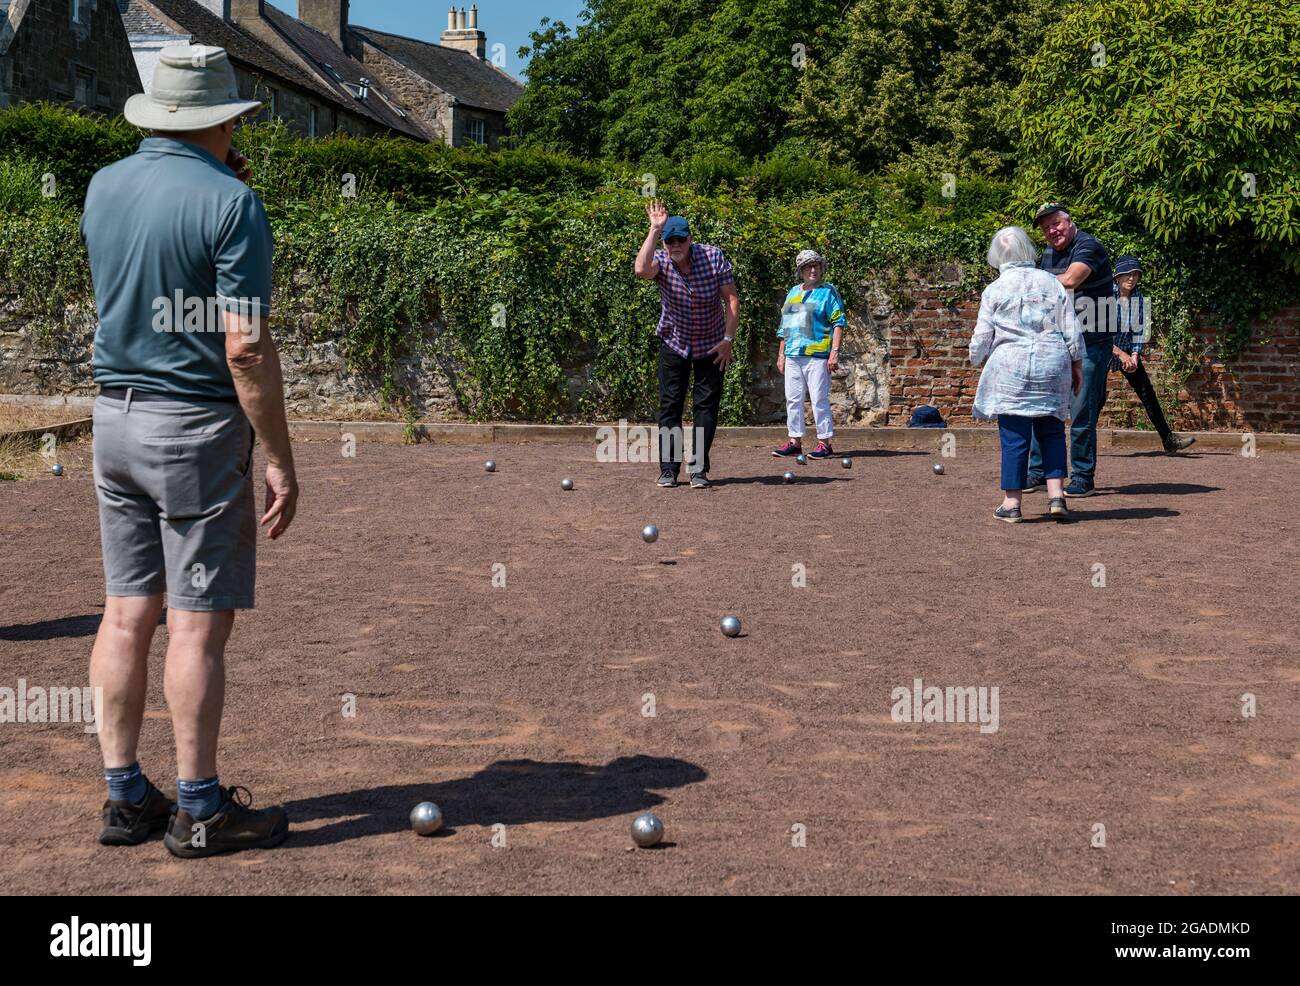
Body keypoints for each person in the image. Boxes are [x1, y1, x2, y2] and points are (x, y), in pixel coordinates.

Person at [81, 45, 298, 857]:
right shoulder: (231, 202)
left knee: (126, 611)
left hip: (112, 421)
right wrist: (279, 454)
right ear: (223, 119)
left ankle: (126, 795)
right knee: (197, 628)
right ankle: (201, 810)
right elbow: (244, 350)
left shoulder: (103, 187)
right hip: (193, 429)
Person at [970, 227, 1084, 523]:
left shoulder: (994, 289)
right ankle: (1057, 496)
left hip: (1011, 369)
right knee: (1052, 430)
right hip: (1052, 362)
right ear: (1028, 251)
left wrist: (975, 357)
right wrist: (1076, 363)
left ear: (997, 255)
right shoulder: (1050, 282)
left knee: (1015, 436)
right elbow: (1070, 326)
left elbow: (982, 337)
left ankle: (1012, 503)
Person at [634, 201, 741, 488]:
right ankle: (669, 470)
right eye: (670, 240)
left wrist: (728, 340)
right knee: (670, 406)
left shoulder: (713, 257)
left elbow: (731, 299)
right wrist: (655, 229)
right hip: (675, 342)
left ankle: (698, 469)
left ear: (690, 239)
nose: (675, 245)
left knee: (706, 407)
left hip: (712, 344)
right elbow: (641, 270)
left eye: (681, 239)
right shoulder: (660, 259)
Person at [1024, 203, 1113, 497]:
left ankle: (1083, 477)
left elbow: (1072, 280)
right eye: (1046, 227)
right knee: (1045, 407)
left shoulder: (1089, 246)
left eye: (1056, 224)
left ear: (1069, 222)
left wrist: (1031, 281)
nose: (1052, 231)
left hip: (1091, 343)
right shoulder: (1050, 252)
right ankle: (1038, 472)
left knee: (1081, 411)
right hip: (1058, 341)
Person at [1109, 255, 1195, 453]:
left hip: (1127, 351)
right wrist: (1121, 355)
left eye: (1136, 274)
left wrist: (1135, 356)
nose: (1132, 278)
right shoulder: (1105, 295)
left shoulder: (1139, 297)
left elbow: (1139, 331)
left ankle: (1168, 439)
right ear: (1117, 277)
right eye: (1127, 274)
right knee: (1096, 398)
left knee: (1146, 392)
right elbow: (1100, 334)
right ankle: (1084, 444)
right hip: (1105, 349)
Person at [772, 249, 846, 459]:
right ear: (801, 271)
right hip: (793, 354)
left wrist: (835, 353)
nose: (813, 270)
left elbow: (838, 322)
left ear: (821, 268)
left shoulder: (828, 292)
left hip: (818, 355)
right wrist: (781, 354)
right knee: (793, 399)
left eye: (816, 266)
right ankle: (795, 441)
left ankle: (824, 443)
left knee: (818, 399)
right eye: (808, 266)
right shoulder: (793, 292)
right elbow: (785, 327)